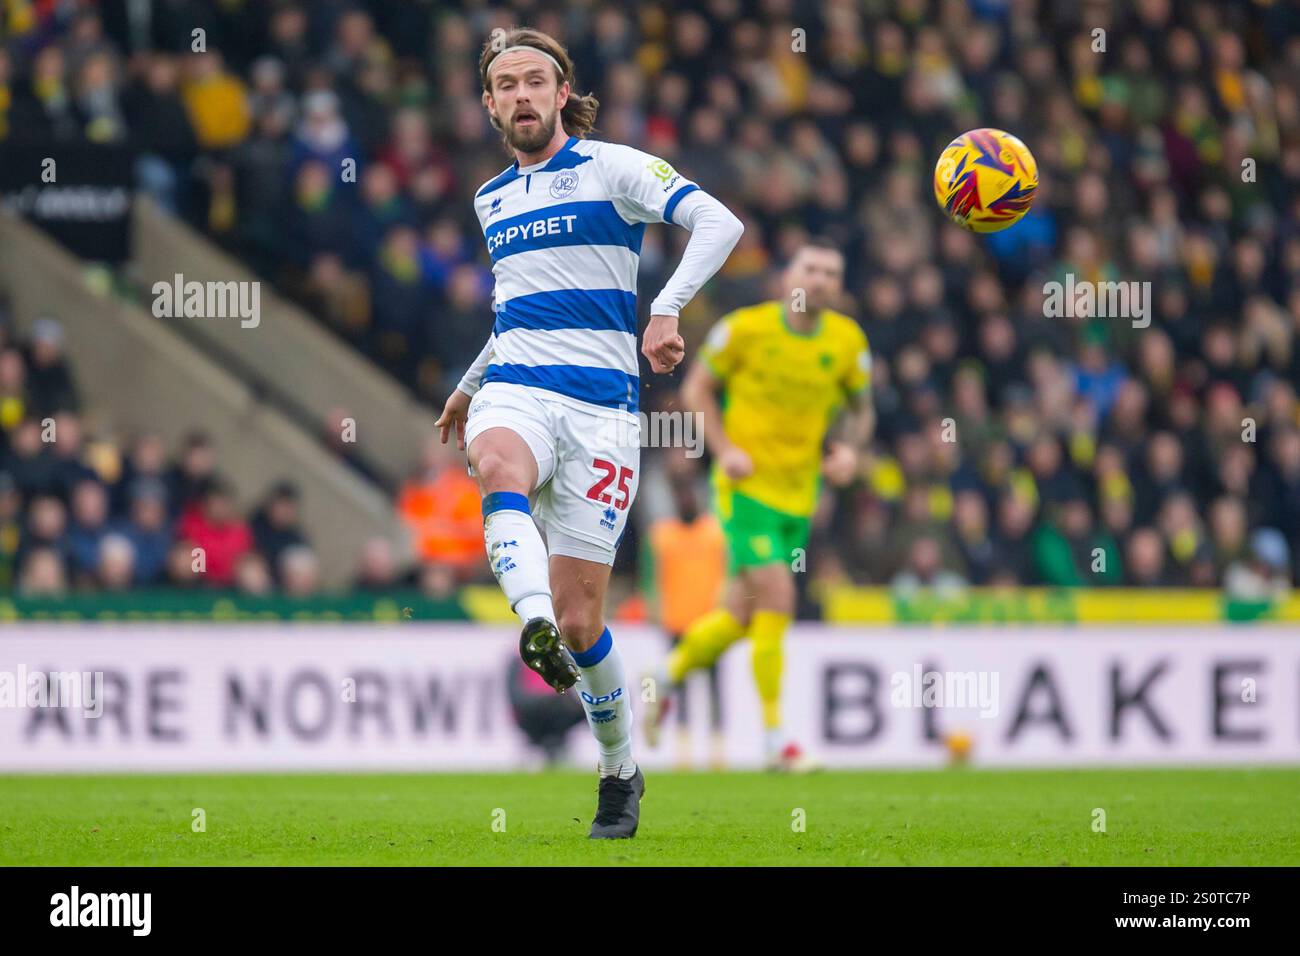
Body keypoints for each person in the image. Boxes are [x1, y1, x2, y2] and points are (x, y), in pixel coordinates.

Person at [435, 28, 742, 838]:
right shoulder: (491, 198)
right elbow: (515, 313)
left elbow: (719, 223)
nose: (525, 94)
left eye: (539, 79)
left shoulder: (612, 167)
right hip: (518, 391)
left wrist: (667, 306)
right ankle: (530, 619)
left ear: (563, 92)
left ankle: (619, 769)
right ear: (491, 103)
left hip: (604, 412)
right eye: (509, 83)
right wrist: (472, 388)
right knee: (495, 461)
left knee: (585, 626)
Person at [642, 239, 874, 771]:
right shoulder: (745, 330)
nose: (820, 279)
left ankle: (666, 676)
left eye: (831, 273)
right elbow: (697, 390)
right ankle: (776, 741)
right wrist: (725, 451)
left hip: (799, 494)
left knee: (742, 616)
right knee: (779, 595)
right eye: (810, 268)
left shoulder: (846, 342)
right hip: (745, 489)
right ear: (788, 277)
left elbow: (861, 409)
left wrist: (849, 451)